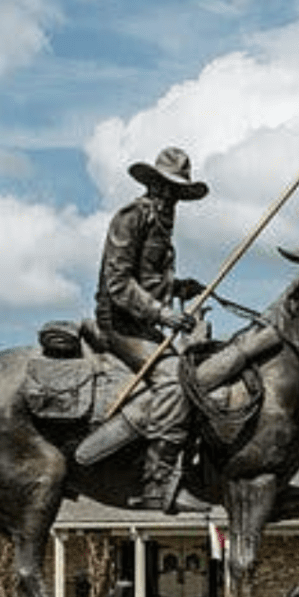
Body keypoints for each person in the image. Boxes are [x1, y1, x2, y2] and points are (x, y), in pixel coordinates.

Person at [90, 146, 211, 513]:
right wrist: (163, 314)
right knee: (174, 380)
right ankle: (155, 482)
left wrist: (179, 287)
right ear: (154, 185)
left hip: (143, 323)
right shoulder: (131, 217)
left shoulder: (161, 223)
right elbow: (118, 283)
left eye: (178, 193)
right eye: (168, 189)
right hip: (120, 325)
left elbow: (149, 278)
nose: (172, 199)